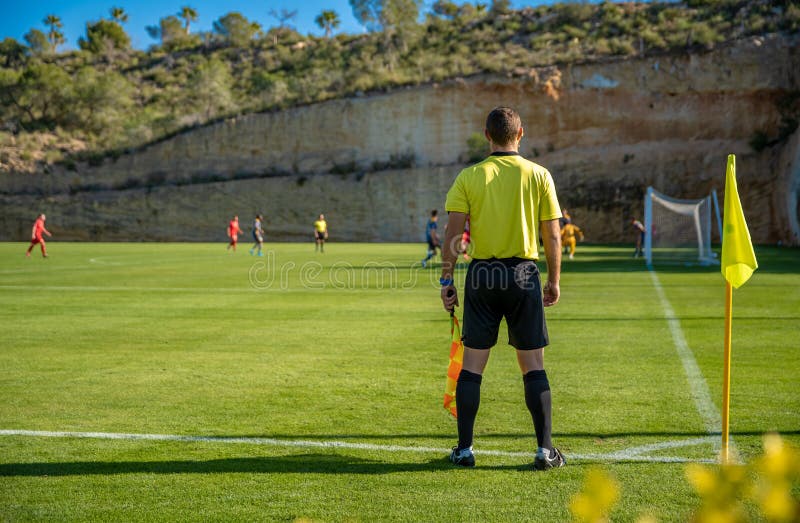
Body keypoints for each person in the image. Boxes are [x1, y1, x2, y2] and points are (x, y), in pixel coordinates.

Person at [440, 107, 565, 470]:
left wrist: (447, 280)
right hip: (523, 273)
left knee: (473, 366)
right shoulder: (539, 174)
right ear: (521, 133)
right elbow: (553, 233)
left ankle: (464, 450)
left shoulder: (469, 176)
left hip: (482, 274)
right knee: (533, 365)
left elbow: (452, 236)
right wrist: (554, 280)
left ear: (486, 134)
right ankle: (545, 451)